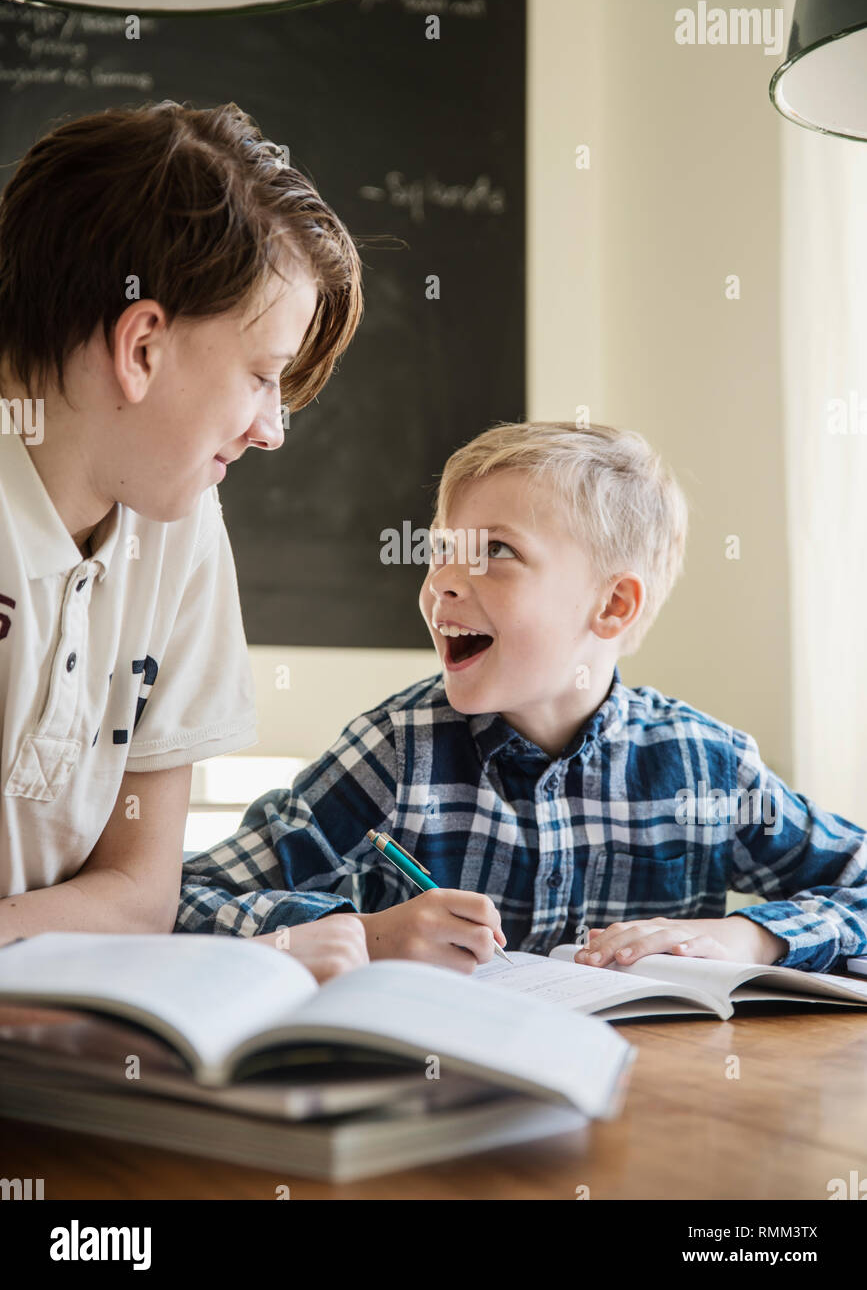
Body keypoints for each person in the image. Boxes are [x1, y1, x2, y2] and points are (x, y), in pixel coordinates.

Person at [177, 421, 867, 974]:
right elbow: (184, 899)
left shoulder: (705, 766)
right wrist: (363, 934)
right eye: (441, 550)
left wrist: (751, 938)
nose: (441, 581)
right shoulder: (397, 749)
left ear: (613, 605)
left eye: (495, 552)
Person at [0, 99, 367, 981]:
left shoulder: (182, 527)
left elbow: (136, 893)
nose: (272, 430)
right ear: (142, 346)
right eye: (261, 376)